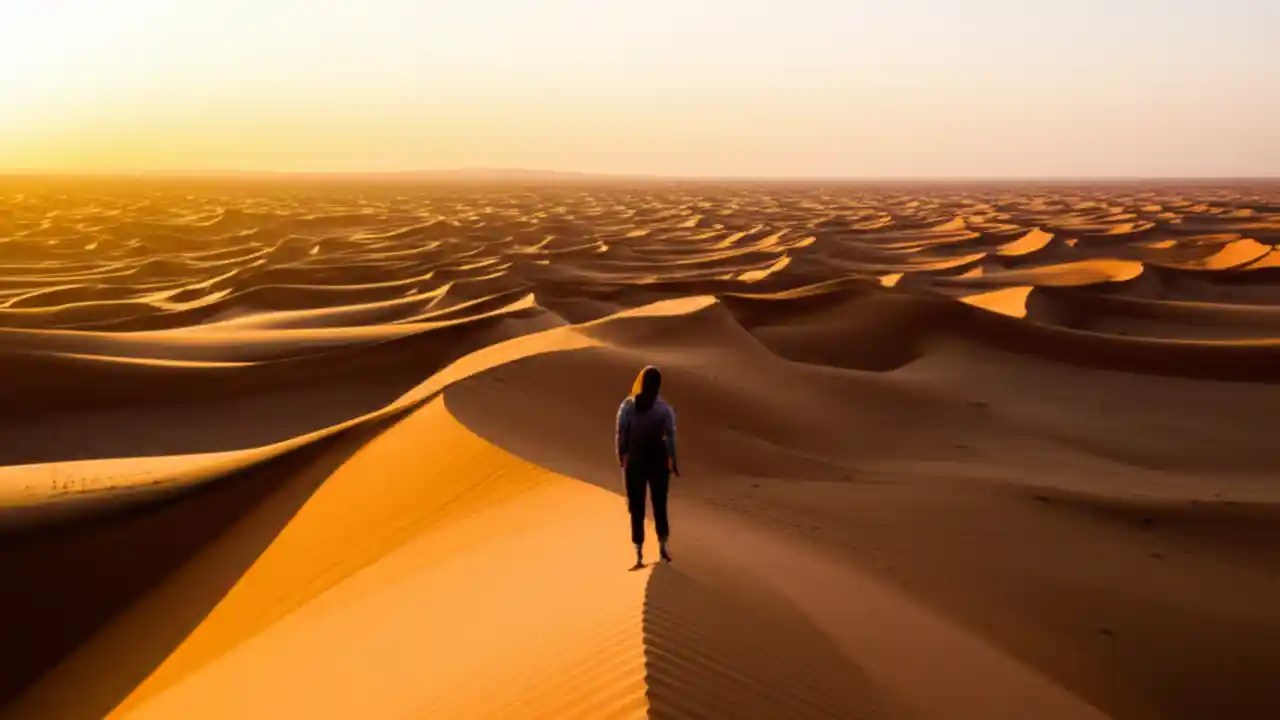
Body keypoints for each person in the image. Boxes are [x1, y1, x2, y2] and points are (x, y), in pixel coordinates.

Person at [616, 365, 680, 568]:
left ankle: (639, 554)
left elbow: (621, 433)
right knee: (659, 504)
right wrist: (672, 460)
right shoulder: (664, 408)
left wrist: (621, 456)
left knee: (637, 507)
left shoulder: (627, 406)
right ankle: (663, 547)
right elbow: (670, 436)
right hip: (658, 460)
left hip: (635, 460)